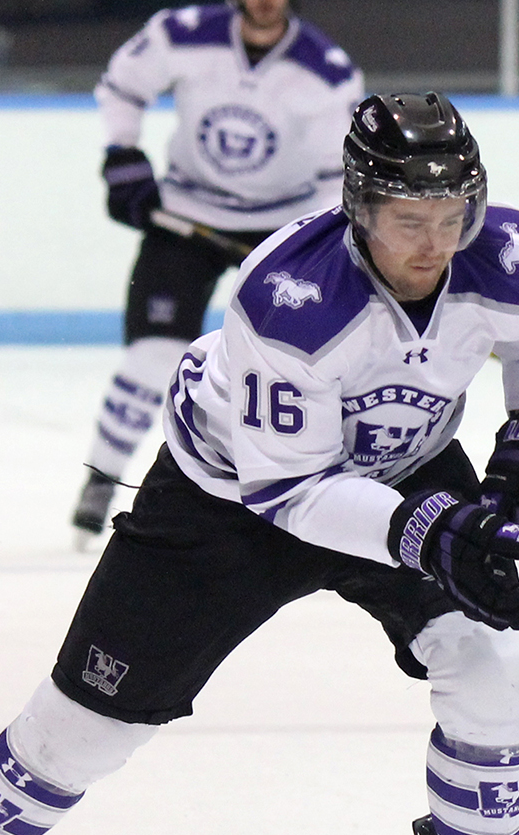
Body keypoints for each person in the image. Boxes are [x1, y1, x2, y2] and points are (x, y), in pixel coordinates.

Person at [0, 92, 519, 835]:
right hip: (226, 505)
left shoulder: (512, 255)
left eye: (451, 215)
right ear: (358, 207)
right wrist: (433, 532)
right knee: (84, 733)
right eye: (405, 219)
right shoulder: (291, 299)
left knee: (499, 659)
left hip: (407, 465)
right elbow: (291, 491)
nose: (432, 242)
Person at [75, 0, 364, 545]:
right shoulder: (183, 33)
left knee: (288, 370)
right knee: (152, 356)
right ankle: (99, 477)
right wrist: (122, 154)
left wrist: (314, 246)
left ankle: (305, 492)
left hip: (279, 232)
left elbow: (336, 178)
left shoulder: (327, 69)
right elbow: (123, 85)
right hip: (184, 219)